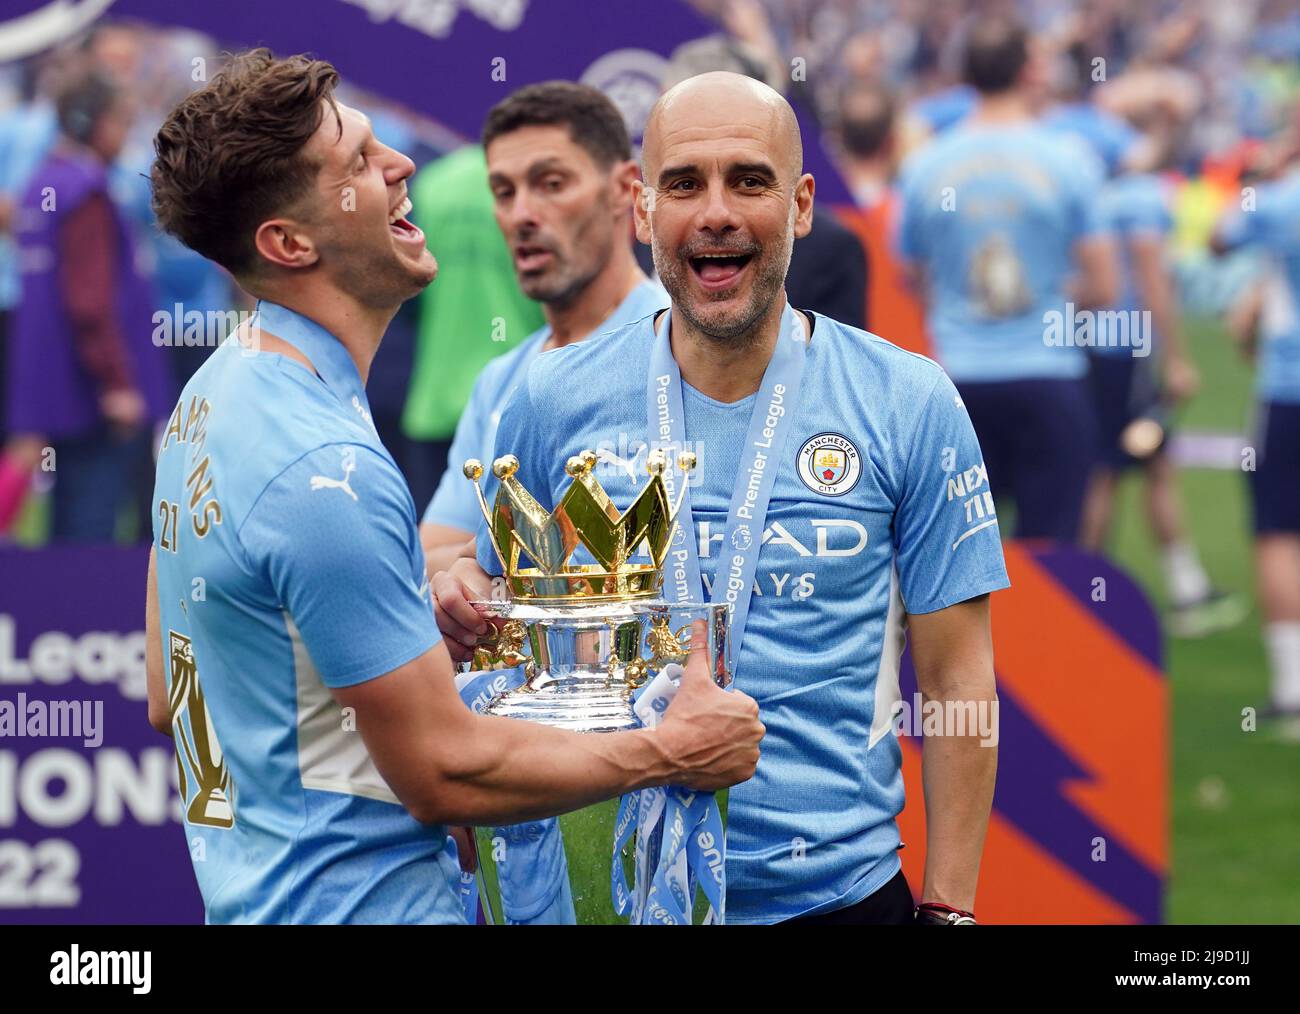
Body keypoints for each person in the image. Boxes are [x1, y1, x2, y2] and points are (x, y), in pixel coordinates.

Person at [143, 49, 762, 924]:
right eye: (359, 160)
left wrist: (391, 646)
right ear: (288, 243)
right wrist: (670, 749)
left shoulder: (208, 401)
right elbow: (444, 770)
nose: (403, 166)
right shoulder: (325, 467)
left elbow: (167, 695)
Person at [434, 71, 1008, 925]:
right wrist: (462, 597)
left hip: (836, 898)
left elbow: (959, 673)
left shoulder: (907, 400)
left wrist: (950, 909)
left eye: (749, 180)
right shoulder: (554, 397)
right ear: (641, 212)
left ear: (803, 204)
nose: (715, 213)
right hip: (612, 897)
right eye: (683, 184)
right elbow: (497, 632)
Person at [419, 82, 667, 576]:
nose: (521, 216)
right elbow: (427, 561)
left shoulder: (681, 350)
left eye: (551, 184)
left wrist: (488, 565)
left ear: (624, 190)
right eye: (503, 192)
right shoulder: (500, 380)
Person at [896, 16, 1118, 542]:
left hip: (954, 382)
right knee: (1054, 552)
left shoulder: (925, 165)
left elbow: (910, 272)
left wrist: (958, 297)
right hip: (1047, 375)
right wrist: (1046, 296)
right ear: (1030, 71)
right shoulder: (1068, 159)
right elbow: (1105, 287)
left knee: (955, 557)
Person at [6, 66, 172, 542]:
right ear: (89, 123)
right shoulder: (86, 192)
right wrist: (118, 383)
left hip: (54, 383)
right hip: (91, 391)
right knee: (90, 524)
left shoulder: (44, 184)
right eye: (118, 121)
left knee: (66, 521)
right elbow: (90, 302)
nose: (125, 133)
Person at [400, 144, 545, 507]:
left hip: (435, 404)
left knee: (436, 551)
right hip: (518, 408)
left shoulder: (432, 184)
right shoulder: (539, 190)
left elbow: (407, 299)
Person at [1213, 163, 1300, 734]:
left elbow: (1220, 235)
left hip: (1288, 391)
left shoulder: (1278, 200)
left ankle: (1293, 688)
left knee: (1278, 533)